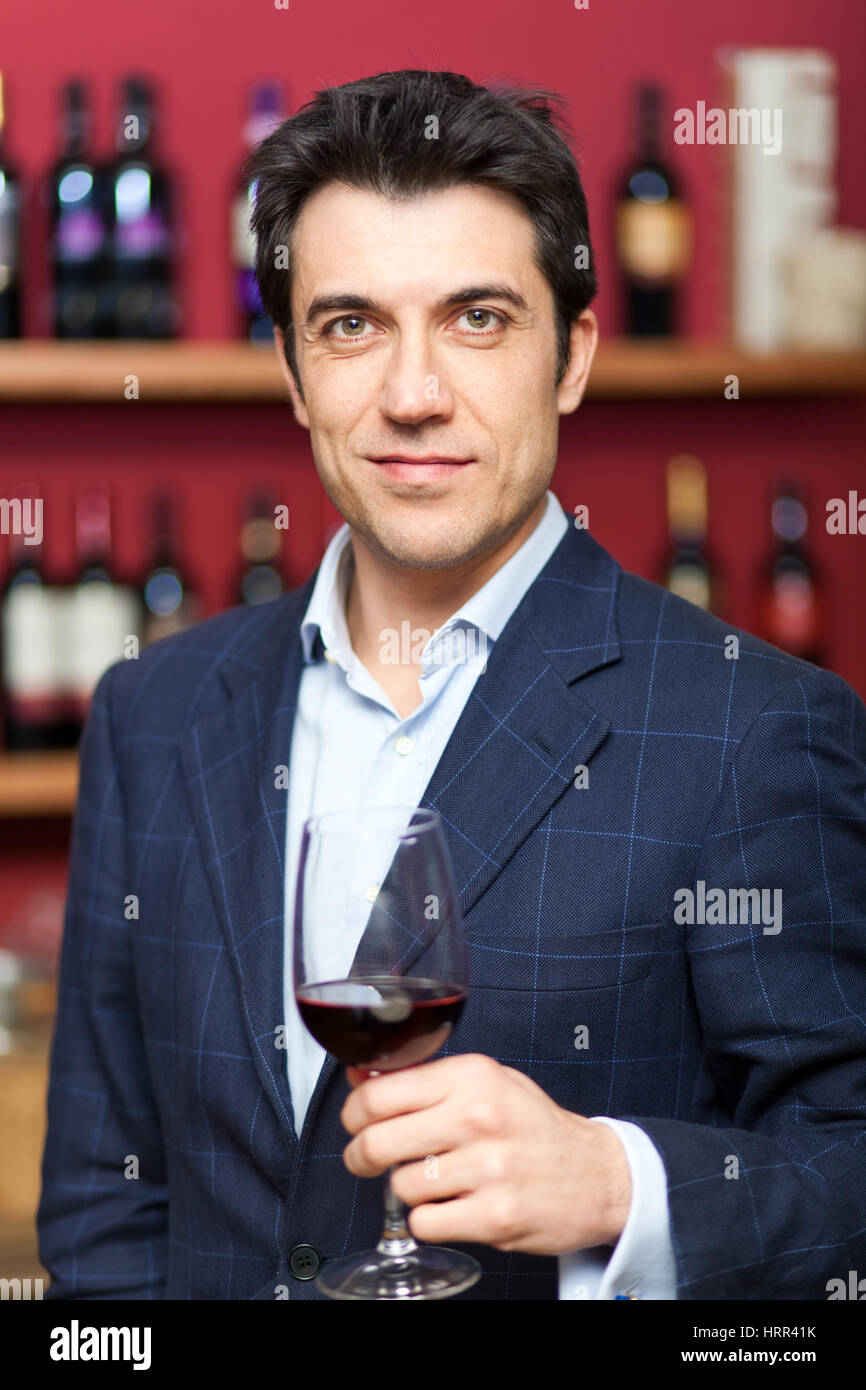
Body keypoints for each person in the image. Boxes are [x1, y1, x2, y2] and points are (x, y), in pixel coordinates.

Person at [38, 69, 866, 1300]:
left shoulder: (755, 725)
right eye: (351, 324)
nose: (414, 394)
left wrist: (616, 1183)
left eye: (477, 318)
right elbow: (107, 1202)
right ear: (293, 369)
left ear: (571, 355)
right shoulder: (152, 714)